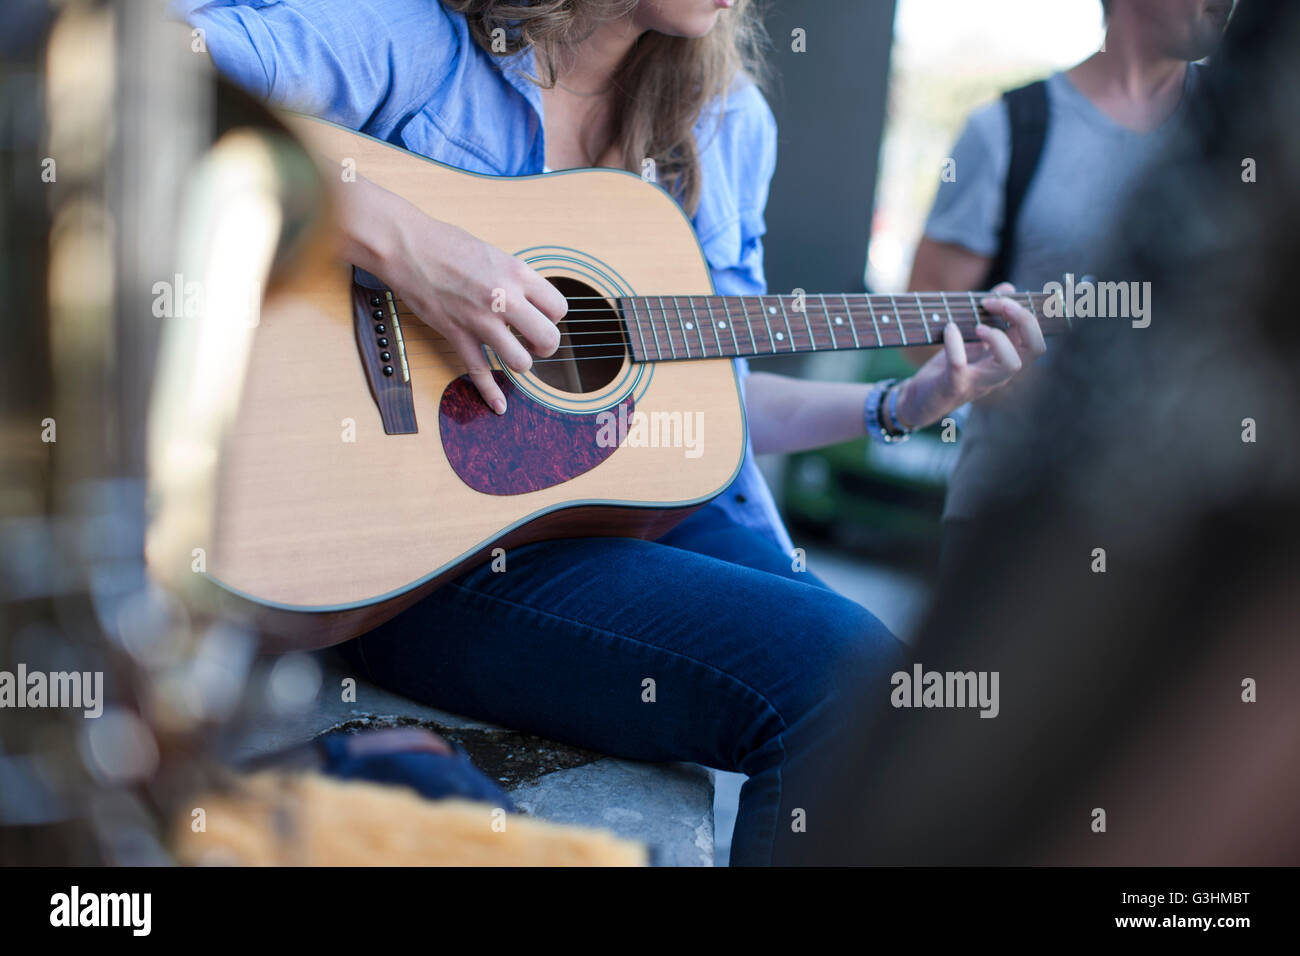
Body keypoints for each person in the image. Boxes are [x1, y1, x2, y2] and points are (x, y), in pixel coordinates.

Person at [177, 0, 1045, 865]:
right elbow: (160, 77)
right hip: (410, 548)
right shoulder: (420, 37)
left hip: (614, 517)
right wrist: (413, 247)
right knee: (842, 676)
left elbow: (714, 399)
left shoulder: (727, 119)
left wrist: (897, 405)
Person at [908, 0, 1231, 571]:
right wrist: (1050, 397)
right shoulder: (1008, 128)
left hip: (1190, 539)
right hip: (1013, 521)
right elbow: (922, 328)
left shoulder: (1249, 129)